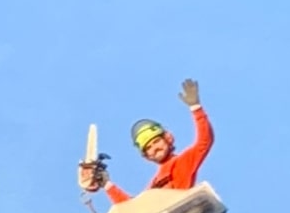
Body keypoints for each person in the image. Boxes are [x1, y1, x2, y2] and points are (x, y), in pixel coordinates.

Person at [83, 79, 212, 204]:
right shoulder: (154, 185)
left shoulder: (182, 163)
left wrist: (196, 108)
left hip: (179, 211)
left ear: (167, 139)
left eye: (156, 141)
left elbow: (204, 141)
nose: (154, 148)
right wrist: (106, 184)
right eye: (148, 148)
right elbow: (133, 210)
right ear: (147, 156)